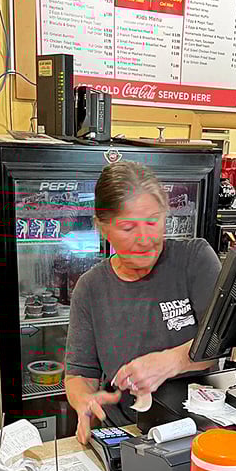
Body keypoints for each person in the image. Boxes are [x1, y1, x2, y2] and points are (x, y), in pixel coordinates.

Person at [65, 161, 221, 443]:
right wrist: (84, 402)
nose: (145, 239)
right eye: (127, 228)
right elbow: (80, 373)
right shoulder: (90, 288)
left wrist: (171, 362)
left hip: (202, 426)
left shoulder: (194, 260)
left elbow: (221, 340)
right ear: (103, 228)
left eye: (153, 222)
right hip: (128, 431)